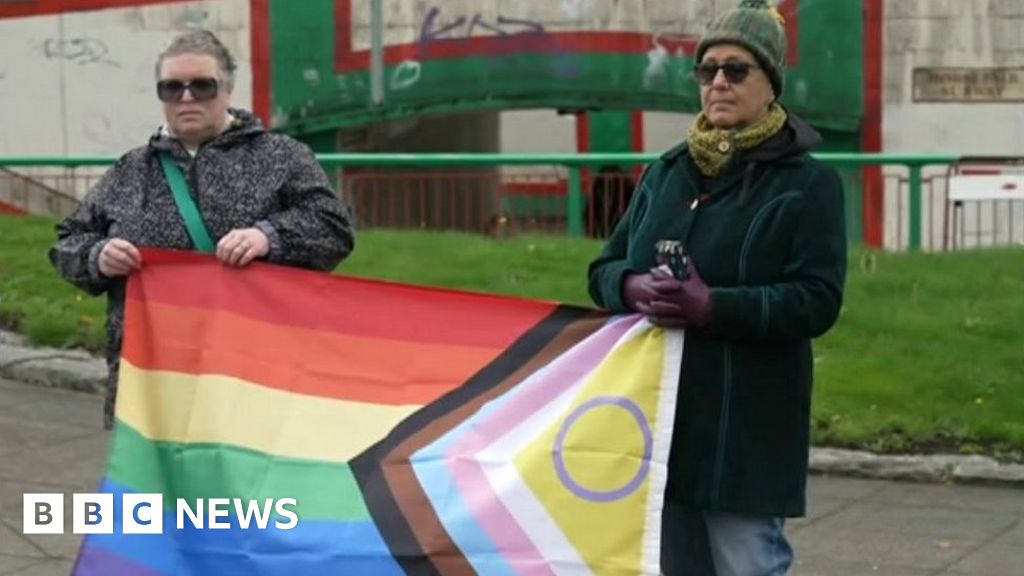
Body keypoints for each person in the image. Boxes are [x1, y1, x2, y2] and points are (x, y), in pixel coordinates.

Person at [586, 1, 847, 574]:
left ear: (770, 84)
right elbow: (601, 269)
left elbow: (817, 299)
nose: (719, 82)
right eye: (707, 70)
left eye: (736, 69)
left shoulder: (809, 183)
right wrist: (630, 286)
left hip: (747, 433)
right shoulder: (667, 172)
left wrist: (712, 306)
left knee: (747, 564)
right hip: (661, 427)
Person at [49, 30, 354, 430]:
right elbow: (68, 243)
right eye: (172, 87)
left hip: (256, 378)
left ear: (227, 89)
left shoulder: (282, 156)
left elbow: (333, 227)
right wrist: (98, 257)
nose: (187, 97)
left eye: (202, 85)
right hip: (153, 384)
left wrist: (268, 236)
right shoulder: (131, 170)